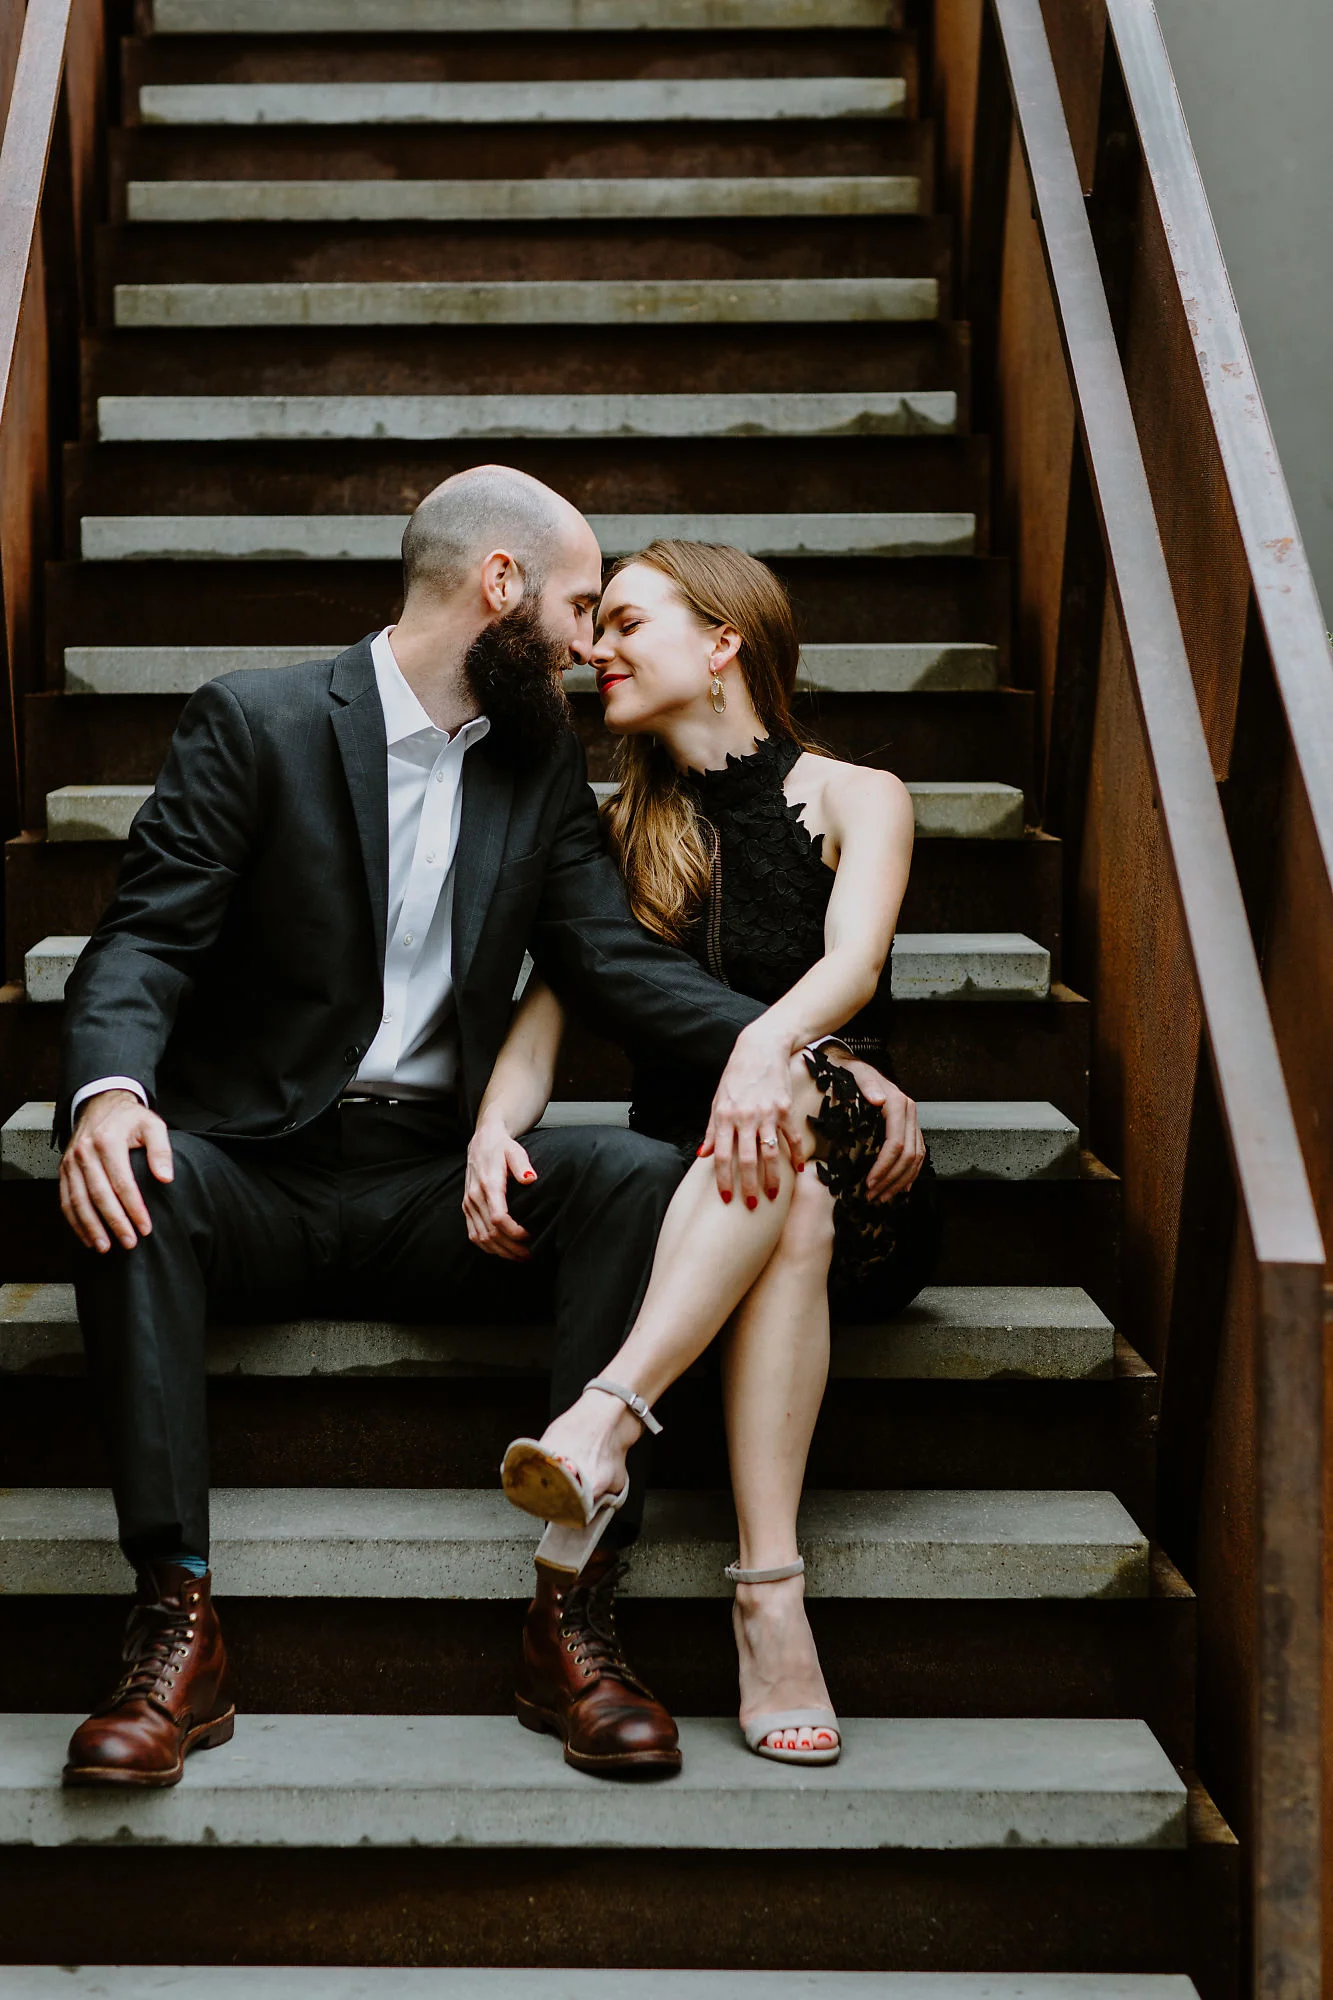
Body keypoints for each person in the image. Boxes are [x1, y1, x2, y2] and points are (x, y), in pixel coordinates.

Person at [54, 469, 859, 1789]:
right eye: (578, 606)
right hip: (253, 1167)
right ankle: (175, 1624)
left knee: (644, 1180)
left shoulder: (537, 766)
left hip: (438, 1185)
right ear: (498, 587)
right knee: (127, 1171)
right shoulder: (255, 723)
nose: (591, 643)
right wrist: (110, 1093)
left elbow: (610, 961)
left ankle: (572, 1619)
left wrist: (791, 1050)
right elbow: (142, 940)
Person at [472, 540, 939, 1766]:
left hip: (855, 1169)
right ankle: (767, 1595)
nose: (594, 649)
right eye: (594, 629)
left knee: (790, 1125)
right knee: (782, 1188)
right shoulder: (615, 828)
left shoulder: (856, 794)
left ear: (723, 641)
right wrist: (487, 1128)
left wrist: (766, 1052)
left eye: (625, 622)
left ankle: (607, 1419)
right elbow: (543, 1019)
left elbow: (853, 970)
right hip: (696, 1199)